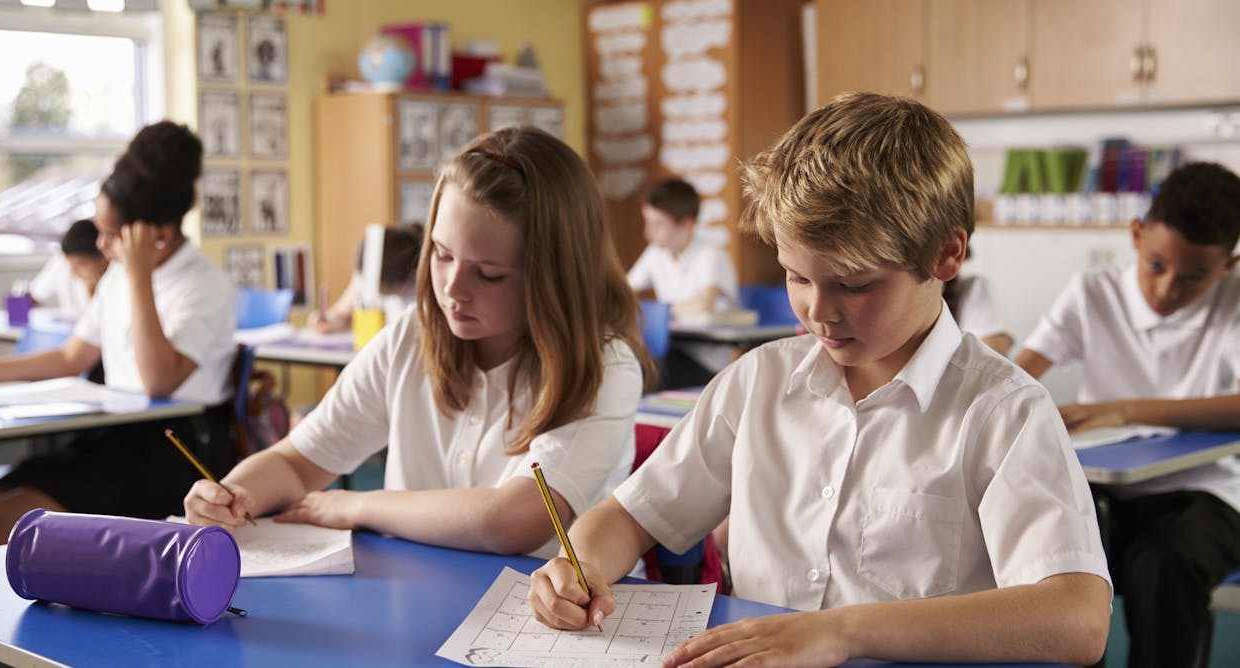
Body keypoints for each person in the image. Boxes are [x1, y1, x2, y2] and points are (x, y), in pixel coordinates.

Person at [528, 92, 1111, 667]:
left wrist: (843, 631)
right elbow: (631, 516)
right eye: (795, 276)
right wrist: (578, 567)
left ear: (946, 255)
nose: (819, 311)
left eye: (854, 285)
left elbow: (1077, 620)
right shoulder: (757, 382)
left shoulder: (1002, 411)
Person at [184, 126, 654, 558]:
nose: (451, 288)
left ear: (554, 276)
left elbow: (516, 521)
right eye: (442, 255)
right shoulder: (412, 336)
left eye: (488, 274)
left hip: (543, 618)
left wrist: (358, 507)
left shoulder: (604, 366)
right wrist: (231, 494)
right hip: (415, 597)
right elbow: (297, 462)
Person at [0, 121, 238, 557]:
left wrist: (139, 276)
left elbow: (158, 381)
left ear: (154, 234)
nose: (101, 245)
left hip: (170, 451)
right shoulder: (119, 277)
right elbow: (72, 355)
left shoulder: (202, 284)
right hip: (104, 438)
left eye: (111, 234)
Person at [1015, 161, 1240, 668]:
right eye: (1156, 265)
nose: (1166, 291)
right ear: (1136, 235)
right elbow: (1017, 376)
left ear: (1227, 266)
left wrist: (1120, 410)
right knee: (1051, 561)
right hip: (1099, 491)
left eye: (1194, 278)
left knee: (1163, 565)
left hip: (1206, 493)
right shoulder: (1094, 291)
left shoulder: (1235, 301)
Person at [626, 176, 739, 387]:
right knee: (628, 366)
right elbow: (623, 290)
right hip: (670, 347)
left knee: (650, 377)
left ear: (687, 224)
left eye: (658, 224)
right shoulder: (656, 253)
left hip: (706, 358)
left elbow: (705, 302)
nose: (648, 233)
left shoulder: (710, 254)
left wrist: (658, 311)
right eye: (648, 222)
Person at [308, 223, 424, 334]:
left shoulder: (422, 290)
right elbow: (341, 314)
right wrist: (330, 321)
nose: (366, 287)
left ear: (411, 275)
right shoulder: (368, 271)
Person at [28, 218, 110, 317]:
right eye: (70, 264)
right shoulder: (61, 262)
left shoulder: (114, 277)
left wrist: (91, 293)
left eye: (81, 265)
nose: (73, 272)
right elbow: (33, 295)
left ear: (105, 258)